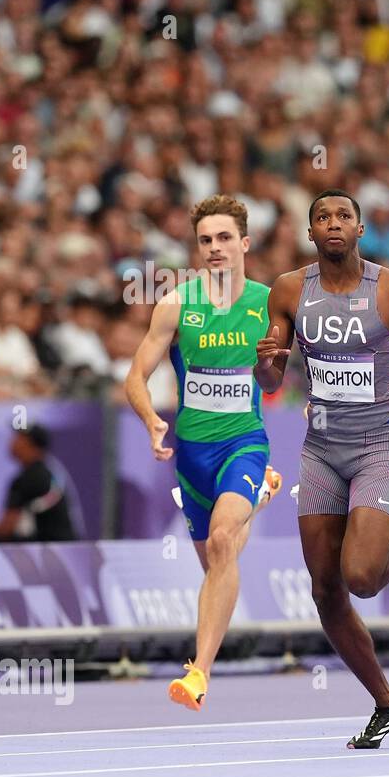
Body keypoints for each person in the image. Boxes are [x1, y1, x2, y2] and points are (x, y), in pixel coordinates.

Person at [255, 189, 389, 749]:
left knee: (362, 578)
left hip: (379, 444)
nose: (333, 224)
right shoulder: (291, 290)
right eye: (323, 217)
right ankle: (386, 703)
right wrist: (268, 367)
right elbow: (271, 382)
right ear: (311, 233)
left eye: (344, 216)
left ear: (360, 229)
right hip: (320, 449)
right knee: (325, 589)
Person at [124, 194, 282, 712]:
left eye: (224, 238)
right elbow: (135, 376)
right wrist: (149, 418)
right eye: (205, 240)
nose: (214, 248)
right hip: (192, 458)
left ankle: (199, 673)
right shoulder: (175, 304)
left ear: (245, 243)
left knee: (220, 543)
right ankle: (258, 500)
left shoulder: (270, 301)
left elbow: (309, 360)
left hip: (244, 443)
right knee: (219, 560)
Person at [0, 424, 76, 543]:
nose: (12, 441)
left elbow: (5, 531)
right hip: (62, 548)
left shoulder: (29, 479)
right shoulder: (47, 474)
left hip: (47, 552)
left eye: (19, 437)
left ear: (33, 445)